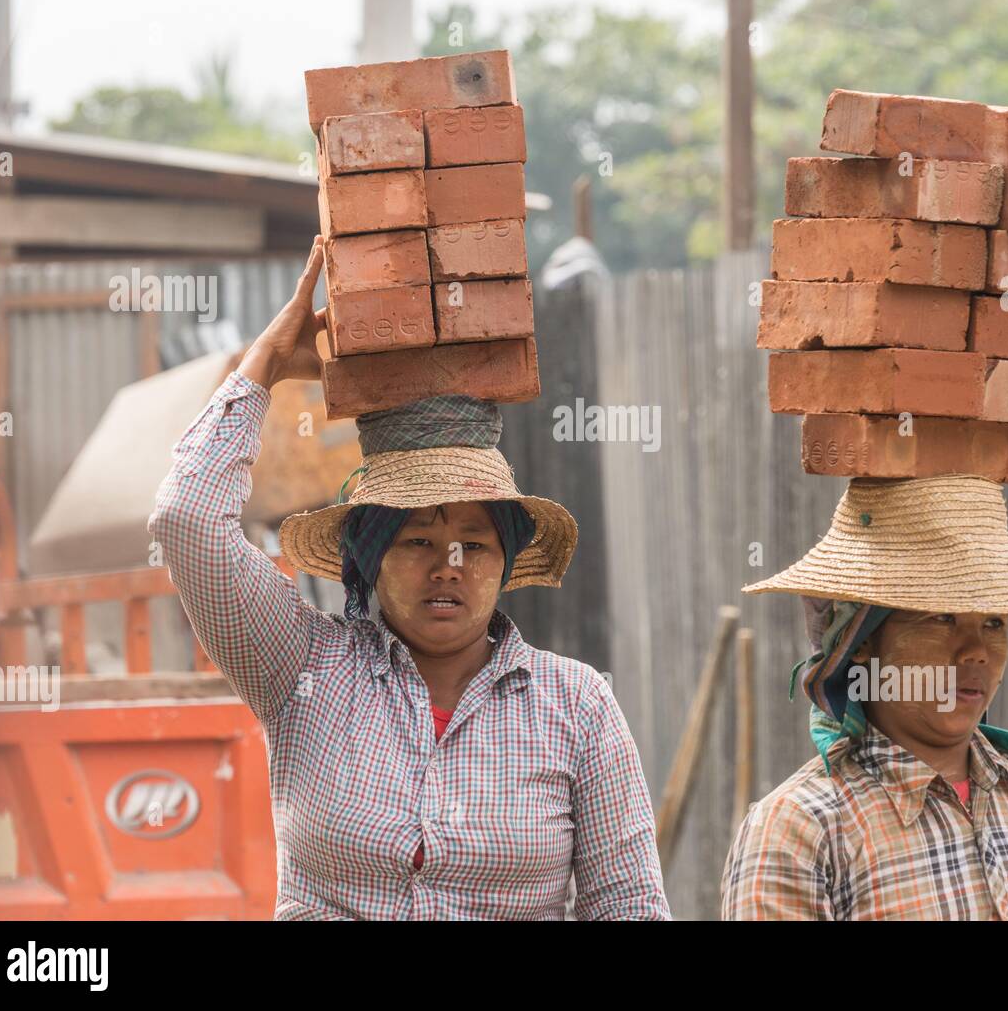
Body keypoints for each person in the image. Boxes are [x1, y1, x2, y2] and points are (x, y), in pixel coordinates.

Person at [149, 236, 669, 921]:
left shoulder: (577, 708)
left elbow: (628, 904)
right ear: (368, 556)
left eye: (474, 546)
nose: (447, 566)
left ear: (506, 563)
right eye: (417, 539)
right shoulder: (300, 668)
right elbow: (186, 520)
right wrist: (266, 365)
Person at [721, 474, 1008, 921]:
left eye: (994, 624)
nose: (976, 652)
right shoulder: (803, 828)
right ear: (861, 642)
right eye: (942, 618)